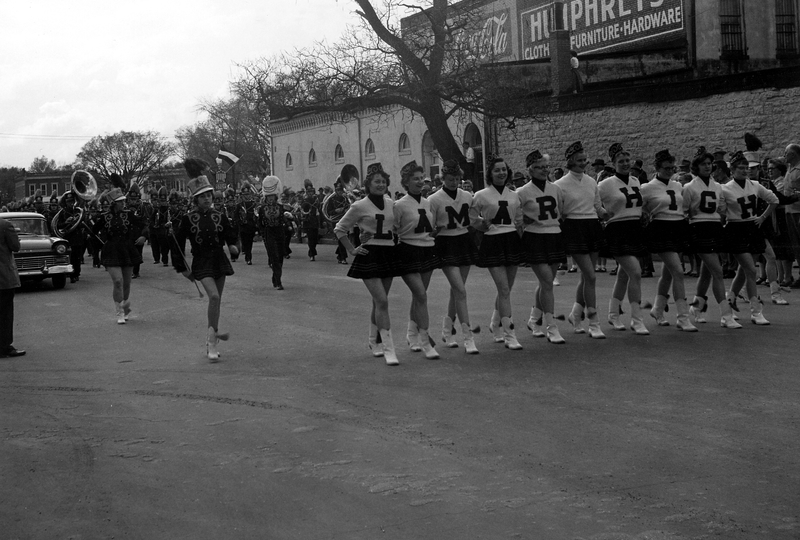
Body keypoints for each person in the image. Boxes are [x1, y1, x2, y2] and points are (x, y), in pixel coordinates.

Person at [171, 159, 240, 362]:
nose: (208, 199)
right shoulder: (187, 218)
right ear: (196, 199)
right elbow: (177, 243)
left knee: (216, 301)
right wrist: (181, 267)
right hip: (201, 262)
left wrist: (234, 248)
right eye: (203, 197)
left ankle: (213, 339)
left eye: (209, 195)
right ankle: (211, 340)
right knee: (214, 297)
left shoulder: (220, 216)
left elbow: (230, 236)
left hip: (219, 260)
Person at [334, 163, 400, 366]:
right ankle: (389, 348)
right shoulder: (359, 206)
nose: (380, 185)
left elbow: (395, 227)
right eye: (376, 182)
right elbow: (340, 229)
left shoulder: (391, 203)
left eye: (383, 181)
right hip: (369, 254)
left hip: (388, 254)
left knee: (379, 301)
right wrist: (352, 249)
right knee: (382, 301)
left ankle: (374, 341)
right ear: (368, 185)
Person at [554, 141, 608, 339]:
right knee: (591, 276)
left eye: (585, 160)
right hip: (574, 228)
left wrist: (607, 213)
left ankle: (575, 315)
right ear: (570, 161)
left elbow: (597, 207)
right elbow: (559, 211)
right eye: (579, 160)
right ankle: (594, 322)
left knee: (586, 277)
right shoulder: (559, 185)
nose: (583, 163)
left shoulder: (591, 181)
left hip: (592, 226)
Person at [470, 155, 523, 350]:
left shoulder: (514, 195)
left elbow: (518, 219)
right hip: (493, 241)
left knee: (506, 288)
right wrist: (483, 226)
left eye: (503, 169)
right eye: (497, 170)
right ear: (490, 174)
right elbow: (472, 217)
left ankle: (495, 324)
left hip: (511, 240)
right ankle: (510, 335)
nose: (501, 173)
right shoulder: (481, 195)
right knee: (504, 289)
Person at [640, 149, 697, 331]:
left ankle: (657, 309)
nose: (670, 171)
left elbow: (685, 206)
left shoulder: (678, 186)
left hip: (678, 227)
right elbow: (638, 209)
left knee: (668, 273)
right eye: (666, 168)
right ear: (657, 168)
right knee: (678, 271)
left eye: (672, 167)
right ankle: (682, 316)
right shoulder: (647, 188)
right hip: (661, 229)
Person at [683, 146, 740, 327]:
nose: (707, 167)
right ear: (696, 167)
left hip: (714, 227)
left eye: (710, 164)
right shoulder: (689, 187)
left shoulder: (717, 187)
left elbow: (722, 208)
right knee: (717, 271)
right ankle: (726, 315)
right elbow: (684, 211)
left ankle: (697, 306)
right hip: (699, 230)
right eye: (704, 164)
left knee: (707, 272)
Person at [721, 150, 779, 325]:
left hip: (753, 228)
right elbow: (721, 210)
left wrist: (762, 217)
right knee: (751, 270)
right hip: (736, 229)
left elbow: (774, 200)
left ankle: (730, 300)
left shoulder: (754, 185)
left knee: (744, 270)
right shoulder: (725, 188)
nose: (744, 171)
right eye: (740, 168)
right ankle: (756, 311)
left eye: (746, 168)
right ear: (732, 170)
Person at [428, 159, 480, 353]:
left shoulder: (467, 196)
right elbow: (429, 227)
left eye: (457, 178)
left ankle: (447, 330)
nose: (454, 182)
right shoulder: (434, 199)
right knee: (460, 290)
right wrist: (434, 232)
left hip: (464, 241)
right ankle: (468, 337)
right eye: (450, 179)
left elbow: (474, 220)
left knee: (457, 290)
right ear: (443, 178)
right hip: (446, 244)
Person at [598, 143, 649, 335]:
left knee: (624, 274)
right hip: (617, 230)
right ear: (614, 163)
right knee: (635, 272)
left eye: (628, 160)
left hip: (634, 229)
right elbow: (593, 202)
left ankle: (613, 313)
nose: (626, 164)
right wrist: (603, 214)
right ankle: (637, 319)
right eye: (621, 161)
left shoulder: (636, 181)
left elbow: (640, 203)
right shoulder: (605, 184)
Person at [518, 150, 566, 344]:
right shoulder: (523, 192)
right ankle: (551, 326)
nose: (543, 171)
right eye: (538, 167)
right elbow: (516, 216)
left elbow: (560, 212)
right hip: (535, 238)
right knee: (547, 282)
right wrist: (525, 221)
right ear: (530, 170)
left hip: (553, 236)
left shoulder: (555, 189)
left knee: (545, 283)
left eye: (545, 167)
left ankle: (533, 320)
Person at [394, 160, 440, 359]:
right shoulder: (399, 205)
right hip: (408, 252)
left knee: (419, 297)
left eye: (422, 178)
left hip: (427, 250)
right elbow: (392, 229)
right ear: (406, 182)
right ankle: (425, 340)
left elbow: (432, 226)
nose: (420, 182)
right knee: (421, 295)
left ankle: (411, 335)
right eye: (415, 179)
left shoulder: (428, 202)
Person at [92, 175, 148, 324]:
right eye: (120, 202)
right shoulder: (105, 217)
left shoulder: (129, 215)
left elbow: (144, 224)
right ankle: (119, 312)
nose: (123, 203)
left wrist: (143, 237)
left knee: (127, 283)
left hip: (127, 249)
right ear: (114, 204)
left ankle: (124, 306)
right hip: (111, 250)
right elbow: (92, 231)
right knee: (118, 281)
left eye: (123, 201)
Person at [0, 214, 24, 358]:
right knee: (5, 313)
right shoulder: (5, 225)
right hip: (3, 277)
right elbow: (15, 247)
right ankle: (4, 347)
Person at [258, 176, 286, 290]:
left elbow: (283, 220)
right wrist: (262, 234)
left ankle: (275, 277)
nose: (270, 198)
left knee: (280, 257)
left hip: (279, 232)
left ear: (275, 196)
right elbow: (260, 223)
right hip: (269, 233)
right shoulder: (262, 209)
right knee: (274, 257)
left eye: (272, 196)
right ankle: (278, 281)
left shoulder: (280, 207)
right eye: (268, 196)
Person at [237, 181, 259, 265]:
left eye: (248, 194)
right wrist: (239, 222)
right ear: (242, 195)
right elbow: (236, 216)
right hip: (243, 227)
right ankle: (246, 253)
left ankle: (248, 258)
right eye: (245, 195)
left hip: (251, 226)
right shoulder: (239, 205)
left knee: (249, 243)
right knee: (244, 242)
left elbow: (256, 214)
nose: (247, 196)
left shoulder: (253, 204)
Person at [300, 179, 321, 261]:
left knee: (315, 238)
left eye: (311, 192)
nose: (310, 193)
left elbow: (319, 209)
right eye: (309, 192)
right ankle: (312, 254)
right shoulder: (304, 199)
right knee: (310, 237)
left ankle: (312, 251)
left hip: (315, 220)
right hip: (308, 220)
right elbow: (302, 208)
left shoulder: (316, 199)